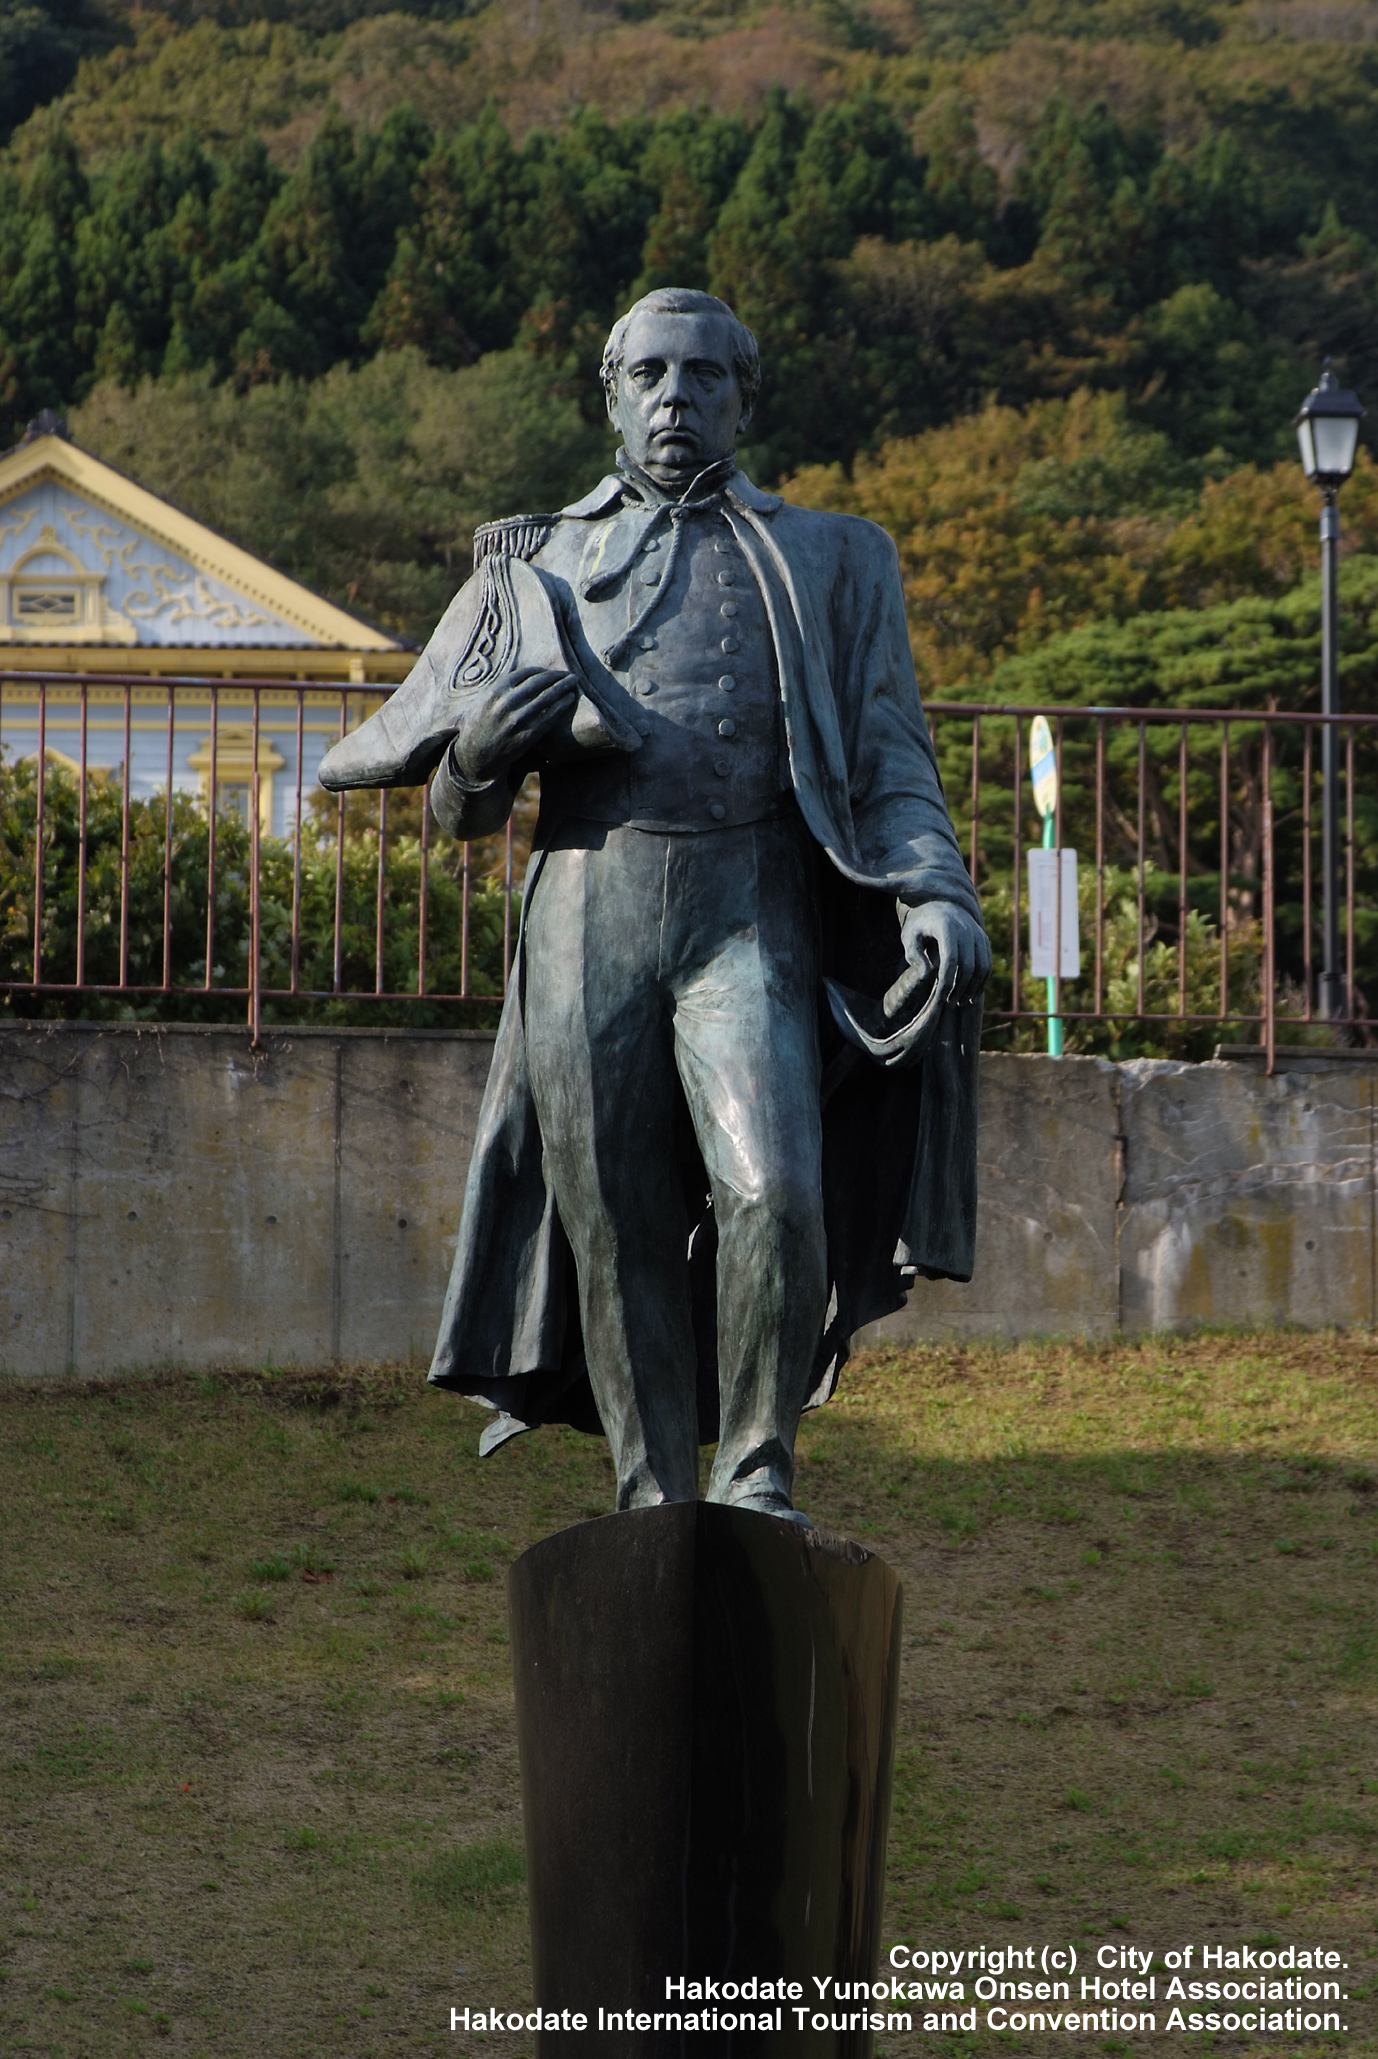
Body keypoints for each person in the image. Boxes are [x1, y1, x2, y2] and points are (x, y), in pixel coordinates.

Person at [319, 287, 989, 1524]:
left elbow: (893, 762)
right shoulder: (532, 564)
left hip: (754, 911)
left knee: (775, 1192)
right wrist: (473, 762)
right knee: (613, 1218)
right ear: (612, 393)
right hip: (588, 905)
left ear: (745, 396)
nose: (674, 398)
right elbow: (446, 809)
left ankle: (755, 1467)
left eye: (701, 376)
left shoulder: (839, 559)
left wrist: (935, 893)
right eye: (649, 376)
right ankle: (650, 1496)